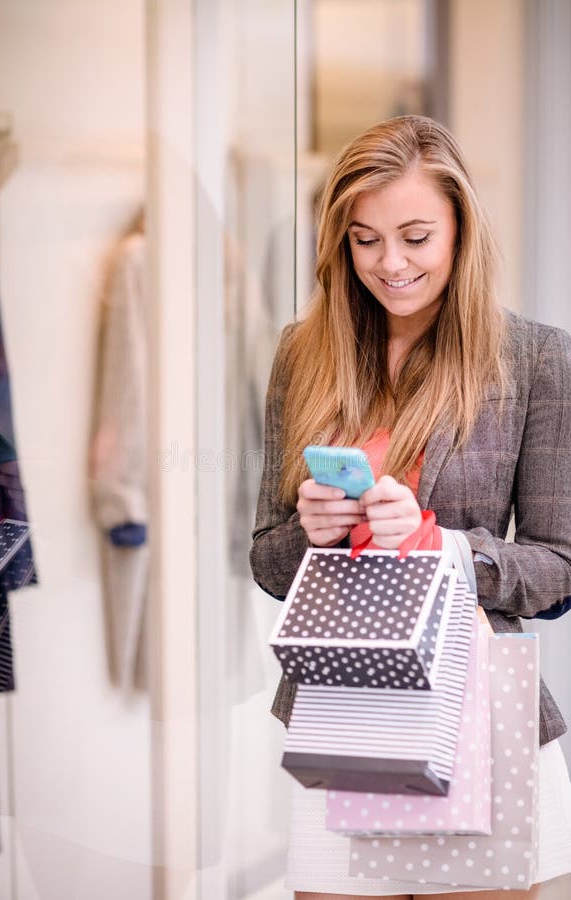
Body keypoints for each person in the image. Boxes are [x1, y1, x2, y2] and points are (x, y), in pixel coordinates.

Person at [249, 115, 571, 899]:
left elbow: (559, 568)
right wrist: (312, 532)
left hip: (480, 714)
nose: (389, 264)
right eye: (364, 240)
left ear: (461, 227)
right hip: (342, 711)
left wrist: (445, 549)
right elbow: (265, 557)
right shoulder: (303, 352)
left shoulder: (534, 358)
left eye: (416, 236)